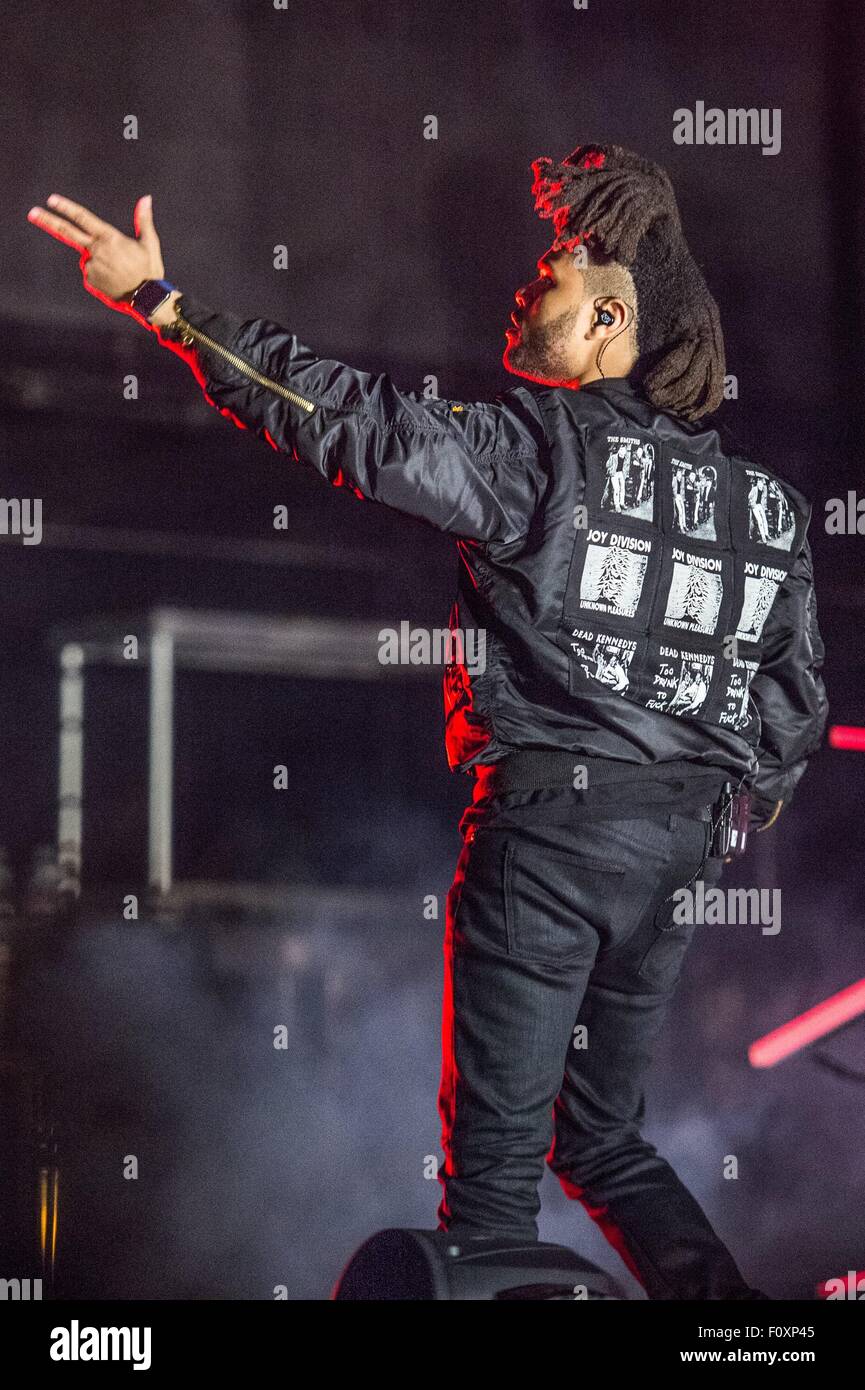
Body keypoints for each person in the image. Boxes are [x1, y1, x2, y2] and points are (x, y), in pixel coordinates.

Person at [27, 141, 827, 1301]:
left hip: (549, 836)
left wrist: (161, 305)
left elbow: (338, 416)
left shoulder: (536, 455)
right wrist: (709, 813)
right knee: (602, 1139)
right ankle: (744, 1332)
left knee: (492, 1193)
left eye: (552, 265)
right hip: (668, 863)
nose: (526, 282)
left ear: (610, 319)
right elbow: (794, 711)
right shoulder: (767, 510)